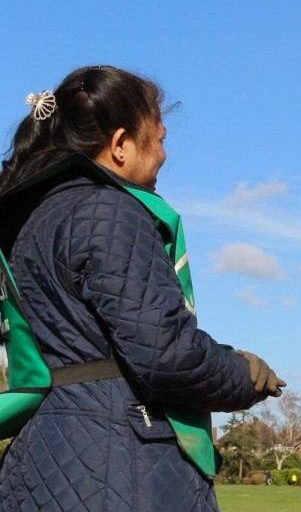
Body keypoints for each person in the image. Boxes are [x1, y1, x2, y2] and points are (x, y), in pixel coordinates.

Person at [0, 66, 284, 511]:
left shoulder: (29, 222)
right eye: (160, 138)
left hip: (45, 455)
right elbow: (166, 353)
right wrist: (239, 374)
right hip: (117, 464)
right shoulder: (110, 210)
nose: (164, 156)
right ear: (119, 145)